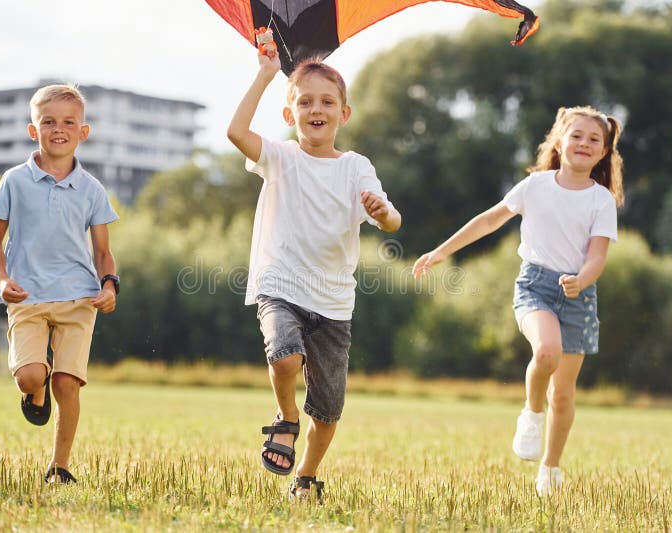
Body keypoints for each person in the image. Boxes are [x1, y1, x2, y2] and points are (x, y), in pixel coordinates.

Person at [413, 106, 624, 495]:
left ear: (603, 152)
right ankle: (531, 413)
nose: (584, 143)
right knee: (546, 352)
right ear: (558, 142)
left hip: (577, 295)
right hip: (535, 286)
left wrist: (581, 280)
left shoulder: (601, 201)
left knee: (563, 393)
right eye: (576, 135)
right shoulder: (535, 186)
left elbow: (597, 256)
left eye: (594, 139)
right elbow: (489, 220)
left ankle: (550, 466)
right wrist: (442, 251)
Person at [227, 46, 401, 502]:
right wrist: (266, 74)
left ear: (344, 113)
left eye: (326, 101)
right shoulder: (280, 158)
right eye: (305, 101)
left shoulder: (355, 167)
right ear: (290, 113)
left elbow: (393, 221)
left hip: (334, 303)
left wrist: (382, 213)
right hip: (280, 285)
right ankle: (286, 416)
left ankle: (305, 476)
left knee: (327, 411)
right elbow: (236, 132)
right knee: (285, 357)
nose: (316, 109)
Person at [0, 84, 120, 484]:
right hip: (26, 296)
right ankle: (35, 390)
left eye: (68, 122)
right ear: (33, 130)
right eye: (48, 122)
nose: (58, 129)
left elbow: (103, 252)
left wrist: (109, 285)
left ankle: (59, 467)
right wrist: (2, 278)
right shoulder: (13, 181)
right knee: (30, 376)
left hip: (79, 299)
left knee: (67, 382)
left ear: (83, 132)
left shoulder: (92, 189)